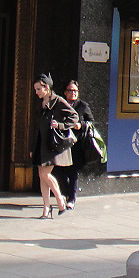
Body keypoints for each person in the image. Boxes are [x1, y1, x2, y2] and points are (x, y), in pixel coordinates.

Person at [30, 73, 78, 219]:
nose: (37, 92)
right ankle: (46, 208)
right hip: (41, 143)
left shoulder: (57, 101)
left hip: (52, 145)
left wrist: (61, 125)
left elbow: (74, 116)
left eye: (39, 89)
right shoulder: (41, 103)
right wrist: (33, 148)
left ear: (47, 87)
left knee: (45, 174)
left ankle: (60, 199)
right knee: (41, 175)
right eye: (36, 90)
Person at [53, 80, 94, 210]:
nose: (73, 93)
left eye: (75, 91)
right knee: (59, 171)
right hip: (62, 141)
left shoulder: (82, 106)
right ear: (65, 92)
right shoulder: (60, 104)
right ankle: (65, 193)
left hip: (76, 143)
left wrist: (80, 125)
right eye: (70, 90)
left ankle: (72, 198)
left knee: (73, 171)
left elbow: (91, 121)